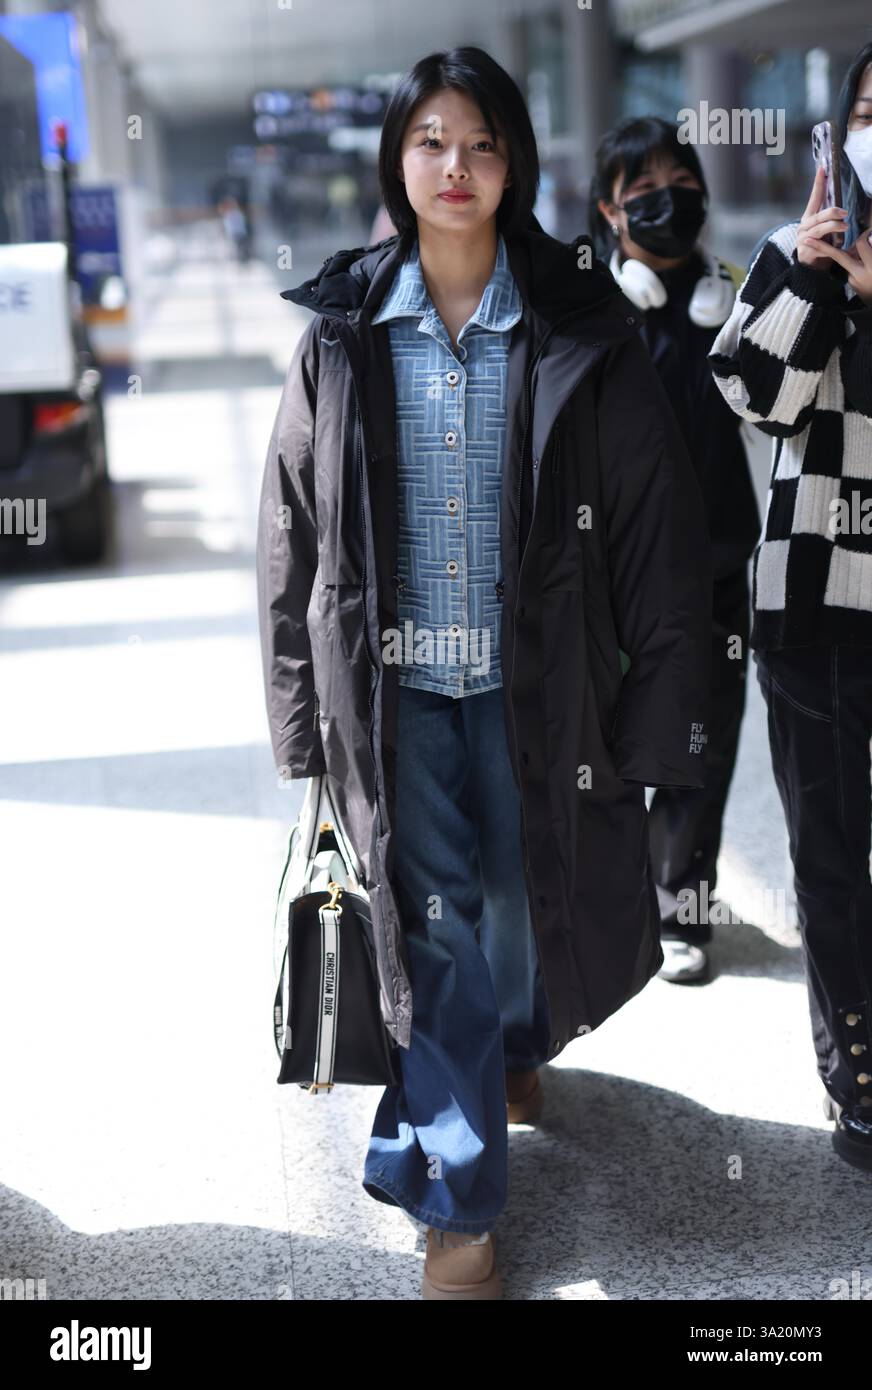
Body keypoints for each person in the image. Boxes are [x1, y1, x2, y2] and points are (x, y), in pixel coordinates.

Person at [256, 45, 712, 1298]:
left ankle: (511, 1042)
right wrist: (300, 720)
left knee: (519, 905)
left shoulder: (577, 328)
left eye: (481, 143)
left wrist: (656, 718)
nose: (453, 165)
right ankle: (457, 1206)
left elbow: (654, 531)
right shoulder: (342, 337)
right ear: (395, 162)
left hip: (537, 695)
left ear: (512, 166)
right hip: (395, 699)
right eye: (429, 142)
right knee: (438, 930)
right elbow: (291, 533)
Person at [709, 40, 872, 1172]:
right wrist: (817, 282)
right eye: (867, 109)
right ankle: (855, 1072)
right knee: (828, 852)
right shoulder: (788, 249)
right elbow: (754, 395)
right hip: (812, 600)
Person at [590, 117, 761, 985]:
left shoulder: (736, 295)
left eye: (681, 182)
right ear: (609, 211)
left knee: (705, 740)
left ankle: (681, 907)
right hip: (616, 566)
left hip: (719, 558)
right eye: (644, 188)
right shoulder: (594, 307)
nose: (669, 199)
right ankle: (611, 897)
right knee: (608, 737)